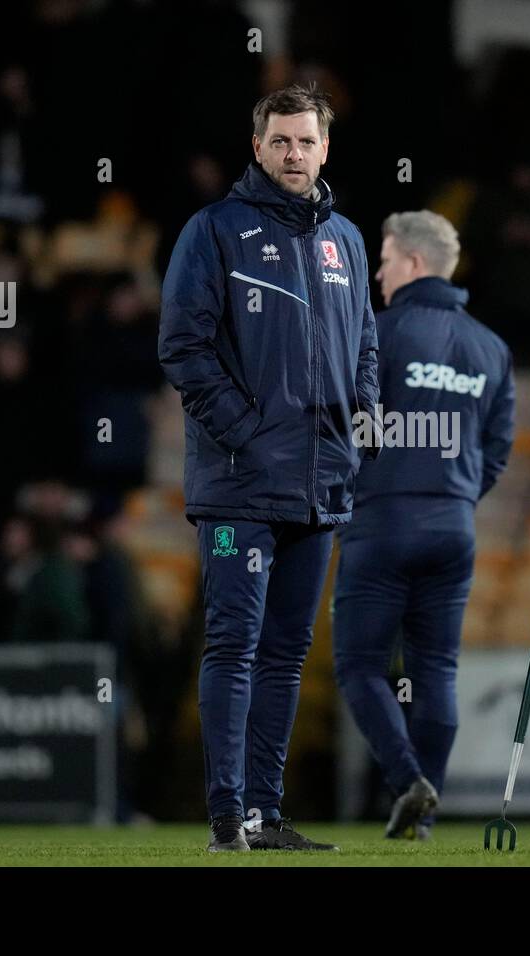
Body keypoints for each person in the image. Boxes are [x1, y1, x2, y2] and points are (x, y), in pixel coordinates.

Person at [158, 83, 379, 852]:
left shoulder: (346, 239)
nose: (294, 154)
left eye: (306, 141)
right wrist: (247, 434)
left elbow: (366, 346)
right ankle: (225, 818)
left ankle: (263, 811)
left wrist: (363, 422)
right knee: (234, 644)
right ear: (257, 147)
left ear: (326, 149)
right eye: (280, 141)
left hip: (320, 485)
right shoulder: (214, 231)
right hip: (241, 487)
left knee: (286, 654)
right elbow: (182, 347)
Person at [333, 211, 515, 839]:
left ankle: (409, 779)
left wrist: (365, 491)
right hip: (454, 528)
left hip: (381, 523)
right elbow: (497, 450)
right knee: (435, 671)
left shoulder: (375, 335)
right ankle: (423, 821)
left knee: (361, 668)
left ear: (411, 263)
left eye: (383, 260)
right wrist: (457, 494)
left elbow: (346, 429)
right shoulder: (490, 348)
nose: (377, 273)